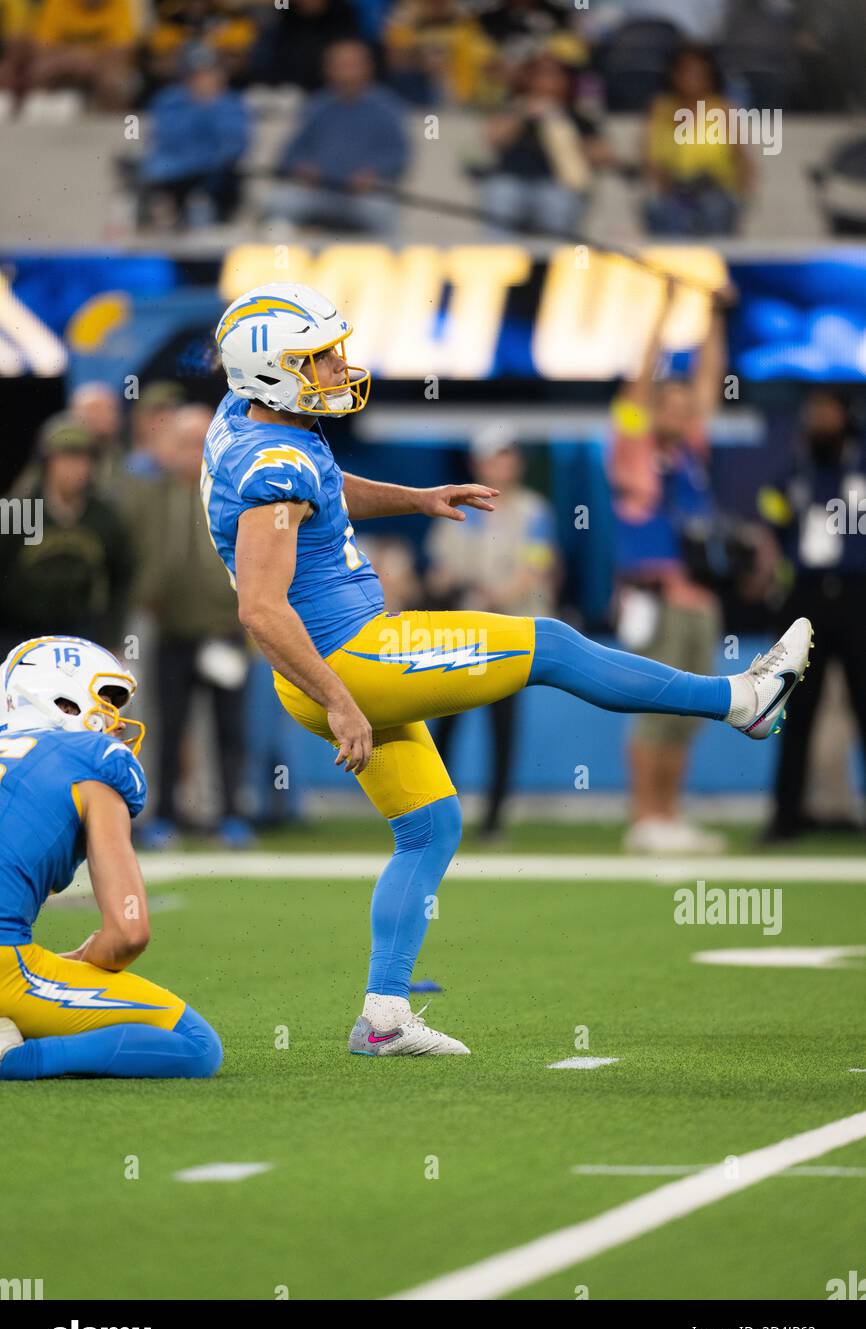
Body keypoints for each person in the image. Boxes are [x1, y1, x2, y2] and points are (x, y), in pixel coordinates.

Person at [200, 280, 812, 1057]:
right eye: (316, 358)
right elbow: (260, 607)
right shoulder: (272, 462)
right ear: (271, 370)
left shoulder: (250, 422)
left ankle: (383, 1018)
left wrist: (415, 499)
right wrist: (345, 702)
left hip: (335, 661)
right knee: (550, 644)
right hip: (349, 659)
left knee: (429, 828)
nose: (335, 367)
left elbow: (325, 488)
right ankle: (741, 700)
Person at [0, 635, 222, 1080]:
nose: (117, 722)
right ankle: (15, 1059)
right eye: (105, 699)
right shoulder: (92, 765)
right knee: (198, 1048)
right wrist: (82, 957)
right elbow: (128, 934)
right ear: (59, 699)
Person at [609, 279, 731, 855]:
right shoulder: (633, 446)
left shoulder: (690, 452)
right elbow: (639, 383)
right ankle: (645, 817)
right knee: (657, 706)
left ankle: (671, 817)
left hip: (697, 599)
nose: (682, 412)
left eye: (687, 409)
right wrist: (661, 305)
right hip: (655, 596)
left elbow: (708, 380)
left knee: (688, 711)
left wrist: (712, 315)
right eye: (671, 405)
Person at [426, 427, 558, 838]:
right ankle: (436, 810)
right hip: (464, 633)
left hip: (512, 631)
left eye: (510, 455)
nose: (505, 463)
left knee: (503, 723)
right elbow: (439, 570)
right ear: (480, 463)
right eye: (496, 456)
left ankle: (495, 819)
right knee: (447, 721)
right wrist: (455, 583)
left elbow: (536, 569)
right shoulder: (459, 507)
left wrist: (494, 593)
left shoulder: (535, 511)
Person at [134, 405, 252, 850]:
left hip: (225, 630)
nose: (193, 453)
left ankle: (232, 816)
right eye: (185, 443)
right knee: (168, 727)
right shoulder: (151, 495)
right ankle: (164, 816)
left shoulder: (235, 492)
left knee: (229, 728)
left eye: (201, 443)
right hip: (171, 630)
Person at [759, 389, 866, 842]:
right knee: (796, 708)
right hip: (807, 599)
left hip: (858, 595)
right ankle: (786, 817)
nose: (819, 420)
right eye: (813, 413)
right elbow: (771, 523)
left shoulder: (859, 472)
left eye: (828, 412)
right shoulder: (794, 476)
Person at [0, 415, 134, 657]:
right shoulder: (18, 511)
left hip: (79, 633)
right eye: (66, 457)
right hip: (18, 633)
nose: (75, 468)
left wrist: (113, 638)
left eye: (83, 459)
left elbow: (122, 578)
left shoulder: (103, 517)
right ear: (47, 462)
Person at [264, 40, 409, 236]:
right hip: (317, 192)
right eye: (339, 65)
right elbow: (289, 154)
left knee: (381, 210)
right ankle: (282, 263)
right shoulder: (317, 105)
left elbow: (398, 154)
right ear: (328, 69)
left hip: (362, 196)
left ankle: (386, 263)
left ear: (368, 67)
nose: (346, 72)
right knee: (278, 202)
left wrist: (373, 173)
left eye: (352, 65)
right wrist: (302, 167)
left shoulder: (387, 107)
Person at [480, 52, 614, 237]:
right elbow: (494, 138)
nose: (546, 82)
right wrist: (522, 113)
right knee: (502, 194)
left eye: (554, 76)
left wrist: (564, 127)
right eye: (539, 75)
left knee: (557, 202)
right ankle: (498, 261)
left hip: (557, 184)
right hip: (513, 180)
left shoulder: (577, 116)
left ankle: (550, 262)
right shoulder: (513, 109)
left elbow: (604, 155)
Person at [641, 43, 752, 236]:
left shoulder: (723, 109)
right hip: (674, 190)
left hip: (715, 190)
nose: (691, 78)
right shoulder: (660, 109)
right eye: (686, 72)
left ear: (709, 77)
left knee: (714, 210)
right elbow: (650, 157)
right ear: (674, 75)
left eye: (698, 73)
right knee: (662, 211)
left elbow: (742, 160)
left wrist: (740, 198)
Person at [137, 44, 251, 231]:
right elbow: (163, 139)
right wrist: (199, 108)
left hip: (212, 174)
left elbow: (234, 145)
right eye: (196, 74)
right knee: (148, 177)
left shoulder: (232, 104)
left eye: (209, 73)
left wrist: (209, 107)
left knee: (216, 183)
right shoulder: (168, 101)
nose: (203, 80)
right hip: (171, 172)